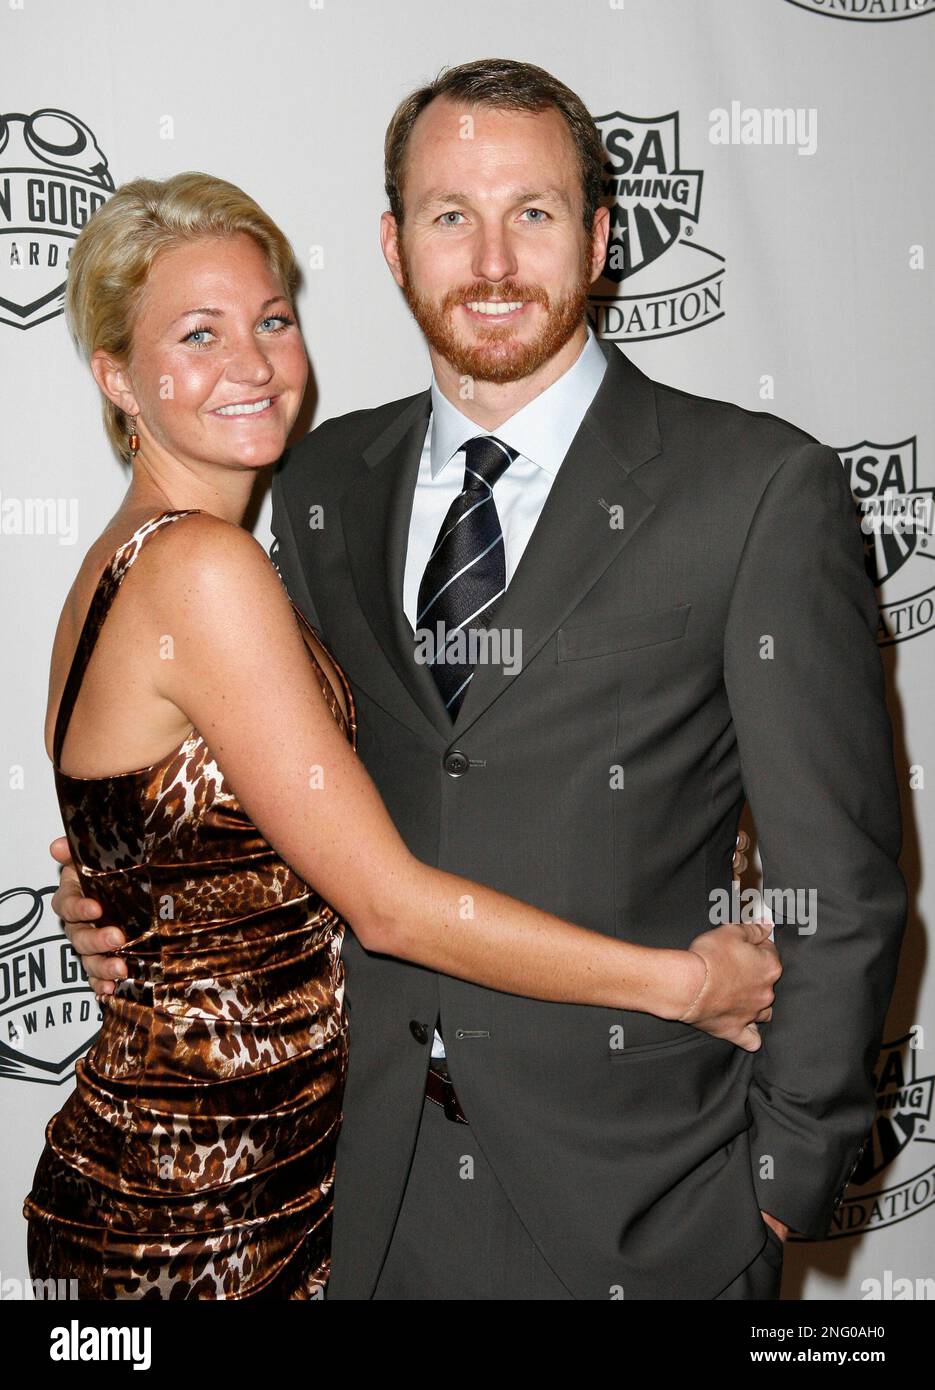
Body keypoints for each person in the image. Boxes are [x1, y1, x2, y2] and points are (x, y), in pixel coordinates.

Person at [25, 170, 779, 1301]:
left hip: (197, 1155)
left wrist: (113, 900)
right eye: (199, 334)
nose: (254, 363)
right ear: (118, 376)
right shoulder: (203, 569)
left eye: (272, 319)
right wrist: (681, 984)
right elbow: (386, 905)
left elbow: (157, 840)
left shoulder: (132, 558)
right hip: (213, 1198)